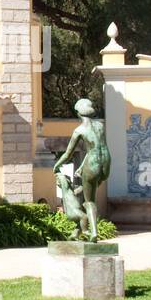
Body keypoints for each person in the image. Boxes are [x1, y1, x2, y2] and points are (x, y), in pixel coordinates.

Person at [53, 97, 112, 241]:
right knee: (80, 192)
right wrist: (81, 166)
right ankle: (77, 231)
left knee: (89, 201)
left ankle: (93, 233)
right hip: (105, 163)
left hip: (92, 165)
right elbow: (96, 148)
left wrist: (56, 165)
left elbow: (68, 154)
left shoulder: (79, 130)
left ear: (79, 113)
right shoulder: (100, 126)